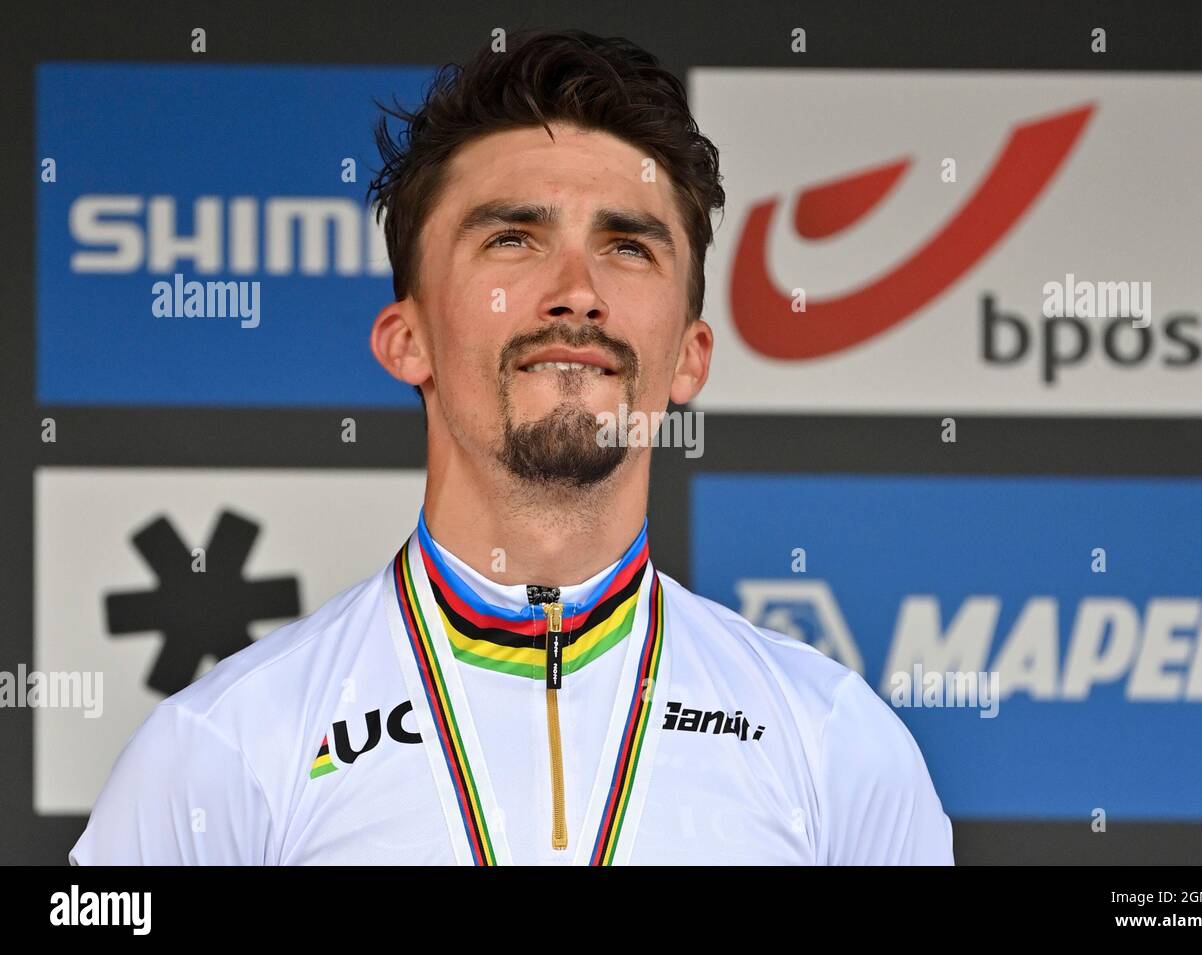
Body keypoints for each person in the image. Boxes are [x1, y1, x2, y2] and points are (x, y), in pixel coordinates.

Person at [69, 28, 953, 865]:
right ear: (404, 336)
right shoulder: (225, 750)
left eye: (628, 246)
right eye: (512, 238)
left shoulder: (836, 746)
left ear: (691, 356)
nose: (576, 292)